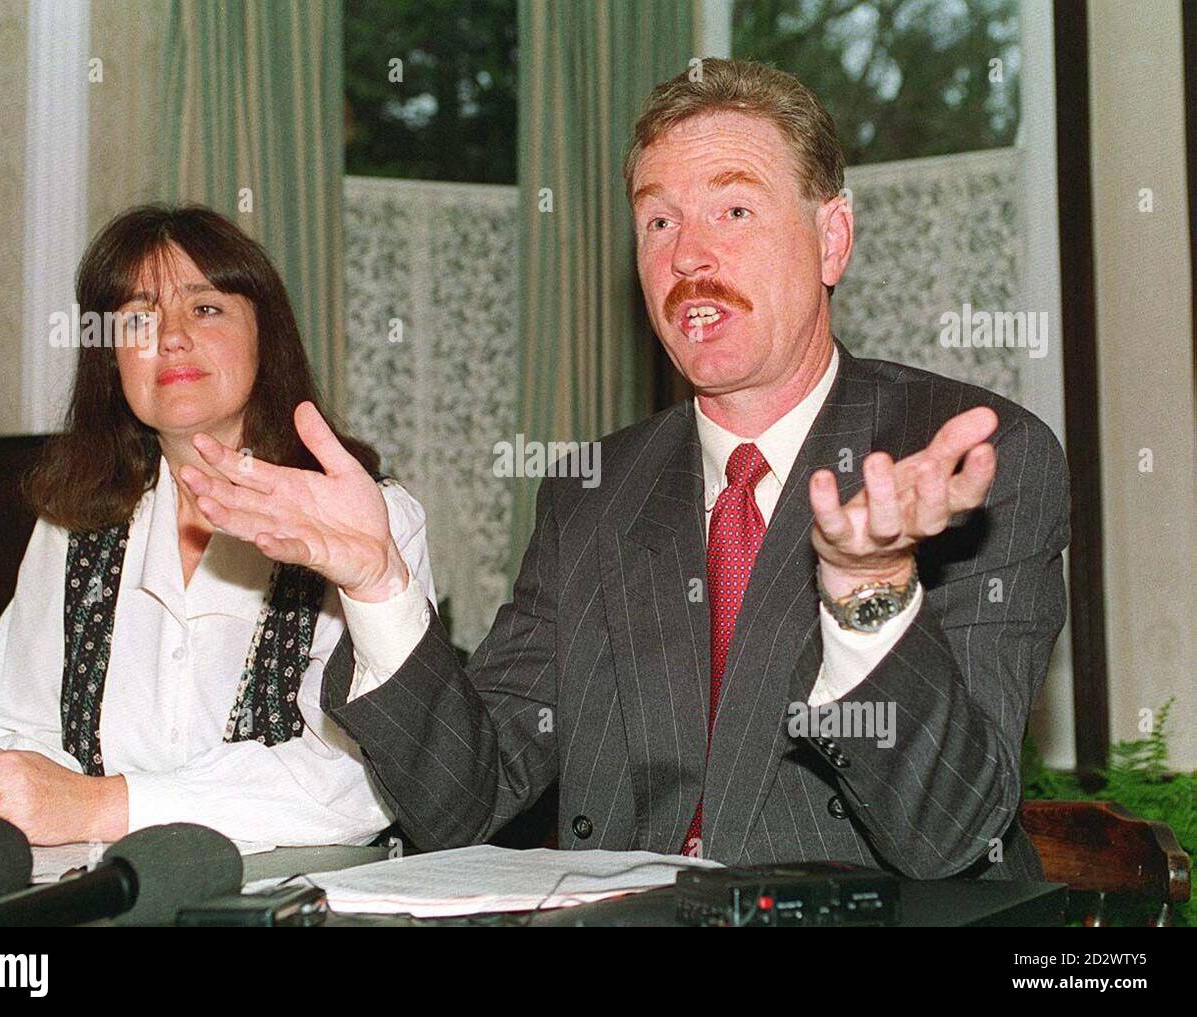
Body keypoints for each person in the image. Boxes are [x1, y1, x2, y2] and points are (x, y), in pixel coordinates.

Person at [182, 60, 1069, 879]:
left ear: (832, 238)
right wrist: (377, 584)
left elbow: (952, 835)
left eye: (734, 209)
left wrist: (869, 588)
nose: (687, 256)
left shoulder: (962, 460)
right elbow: (468, 798)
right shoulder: (592, 491)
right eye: (657, 220)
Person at [0, 204, 435, 847]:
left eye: (206, 308)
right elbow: (8, 721)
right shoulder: (74, 521)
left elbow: (360, 782)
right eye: (139, 317)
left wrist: (102, 806)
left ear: (265, 336)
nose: (170, 338)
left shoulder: (363, 519)